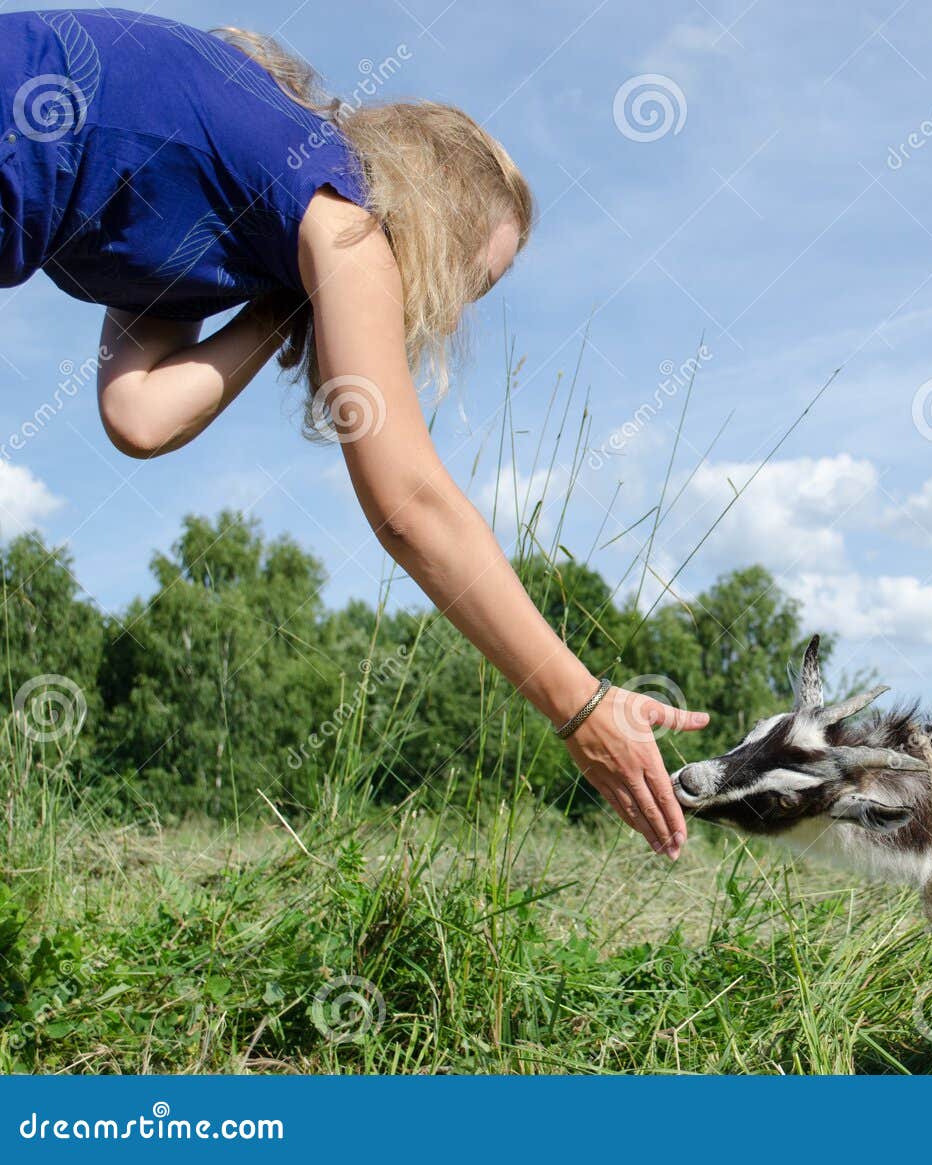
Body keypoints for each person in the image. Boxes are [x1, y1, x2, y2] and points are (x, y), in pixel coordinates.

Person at [0, 8, 705, 858]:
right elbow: (409, 504)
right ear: (430, 215)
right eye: (465, 278)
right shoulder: (346, 217)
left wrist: (279, 308)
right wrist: (580, 704)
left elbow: (140, 414)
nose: (448, 313)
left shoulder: (247, 212)